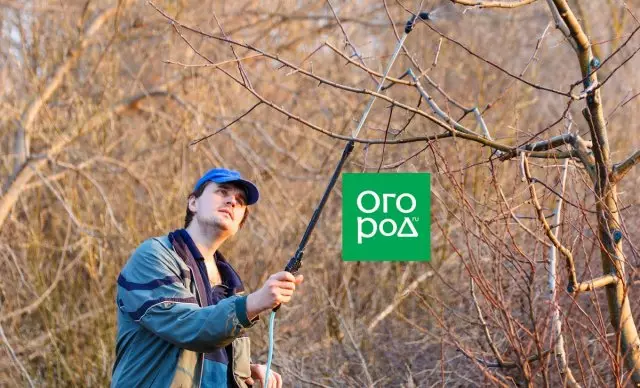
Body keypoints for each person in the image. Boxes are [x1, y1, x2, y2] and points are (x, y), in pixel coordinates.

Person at [112, 168, 303, 388]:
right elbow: (188, 326)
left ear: (240, 223)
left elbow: (209, 353)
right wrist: (255, 302)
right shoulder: (154, 256)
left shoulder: (230, 286)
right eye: (222, 192)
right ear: (193, 203)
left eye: (240, 201)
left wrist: (243, 370)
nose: (232, 200)